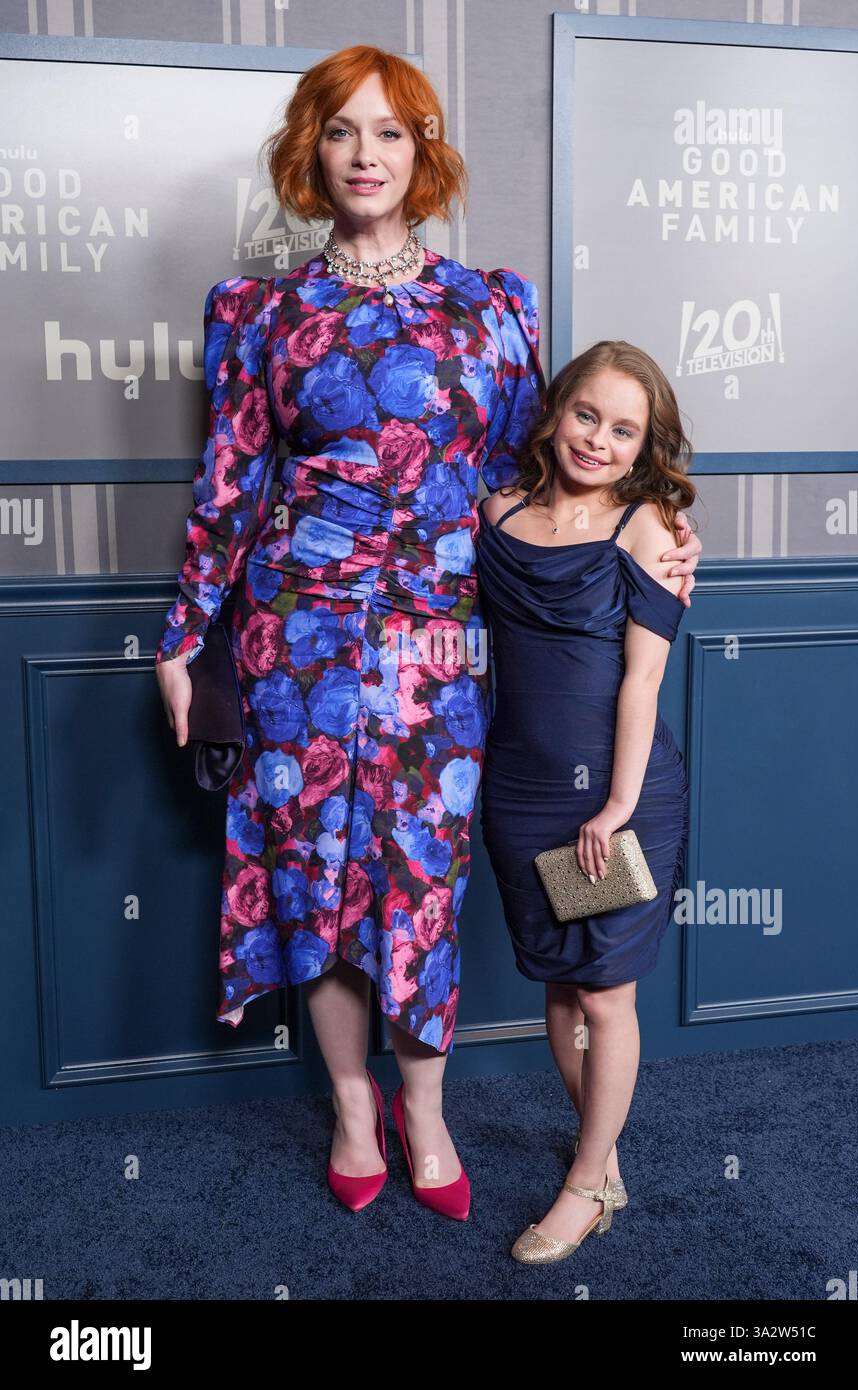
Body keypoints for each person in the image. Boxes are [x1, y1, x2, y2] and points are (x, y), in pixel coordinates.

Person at [155, 43, 702, 1222]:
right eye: (342, 131)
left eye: (390, 131)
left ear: (423, 151)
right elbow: (229, 485)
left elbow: (536, 471)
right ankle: (352, 1108)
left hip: (437, 650)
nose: (365, 154)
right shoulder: (260, 311)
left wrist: (649, 520)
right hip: (294, 642)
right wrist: (183, 638)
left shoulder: (492, 305)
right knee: (316, 885)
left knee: (412, 888)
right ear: (312, 150)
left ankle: (427, 1110)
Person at [476, 342, 696, 1261]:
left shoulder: (647, 530)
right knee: (559, 991)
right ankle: (602, 1162)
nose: (597, 440)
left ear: (646, 446)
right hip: (520, 790)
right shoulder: (496, 511)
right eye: (585, 415)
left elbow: (641, 686)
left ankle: (585, 1182)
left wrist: (612, 806)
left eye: (623, 429)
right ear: (554, 409)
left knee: (605, 997)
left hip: (615, 799)